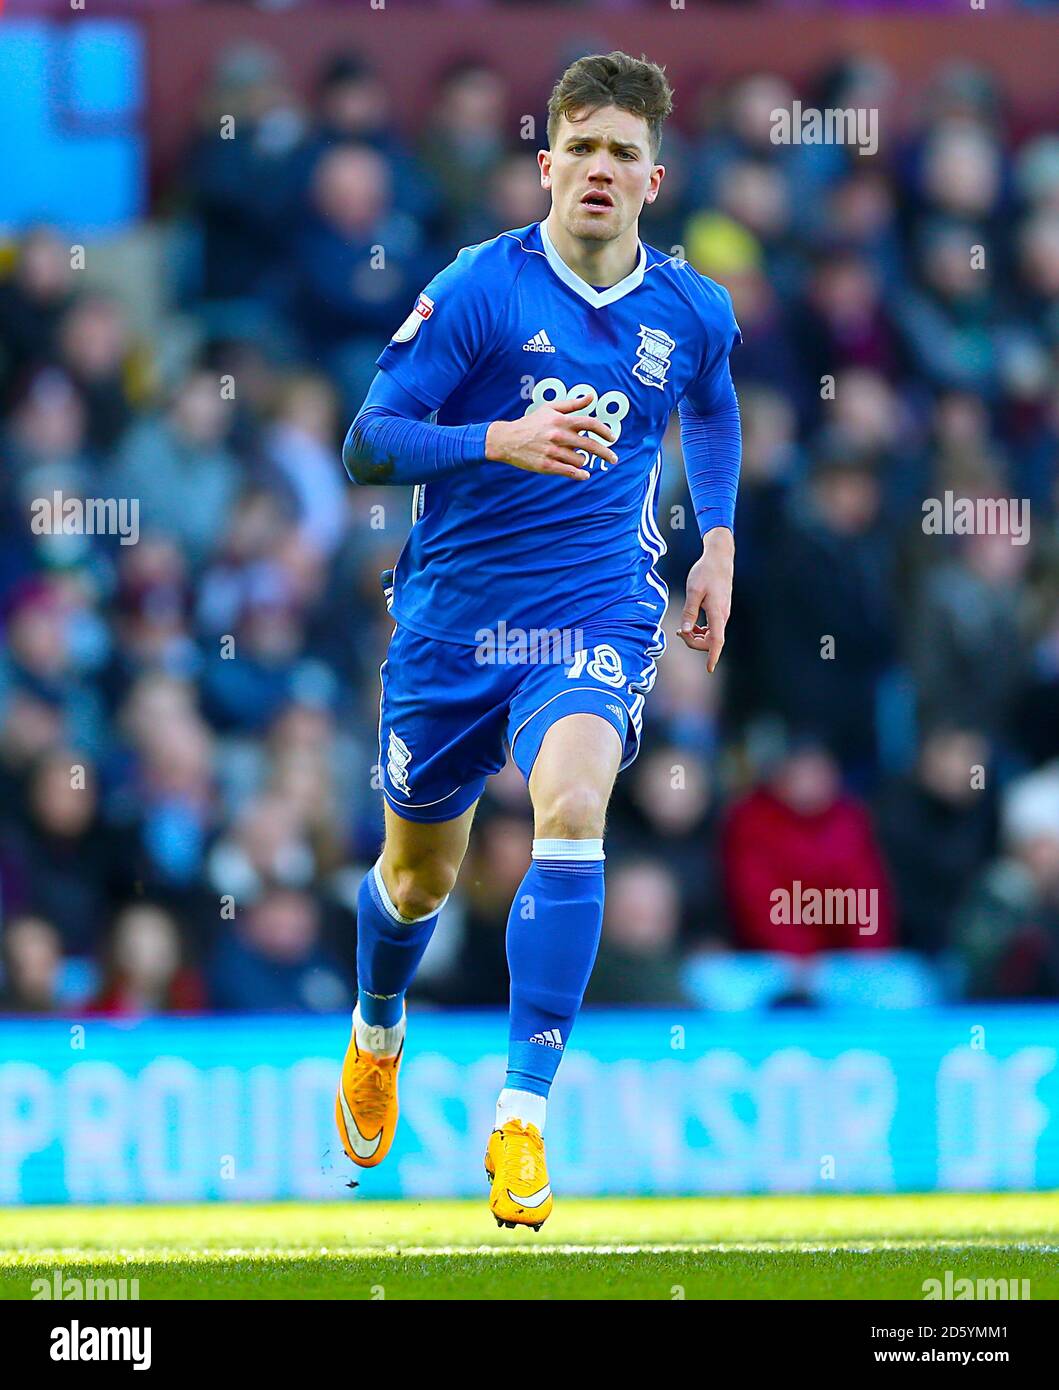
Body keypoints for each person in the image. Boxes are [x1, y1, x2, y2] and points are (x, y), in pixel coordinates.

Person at [335, 51, 742, 1231]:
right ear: (546, 163)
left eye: (625, 152)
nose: (602, 170)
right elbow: (370, 439)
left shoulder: (689, 308)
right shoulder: (479, 289)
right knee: (419, 878)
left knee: (573, 805)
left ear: (653, 177)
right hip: (452, 623)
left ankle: (521, 1116)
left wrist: (714, 540)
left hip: (592, 609)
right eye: (585, 149)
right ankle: (377, 1027)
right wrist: (496, 441)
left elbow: (710, 402)